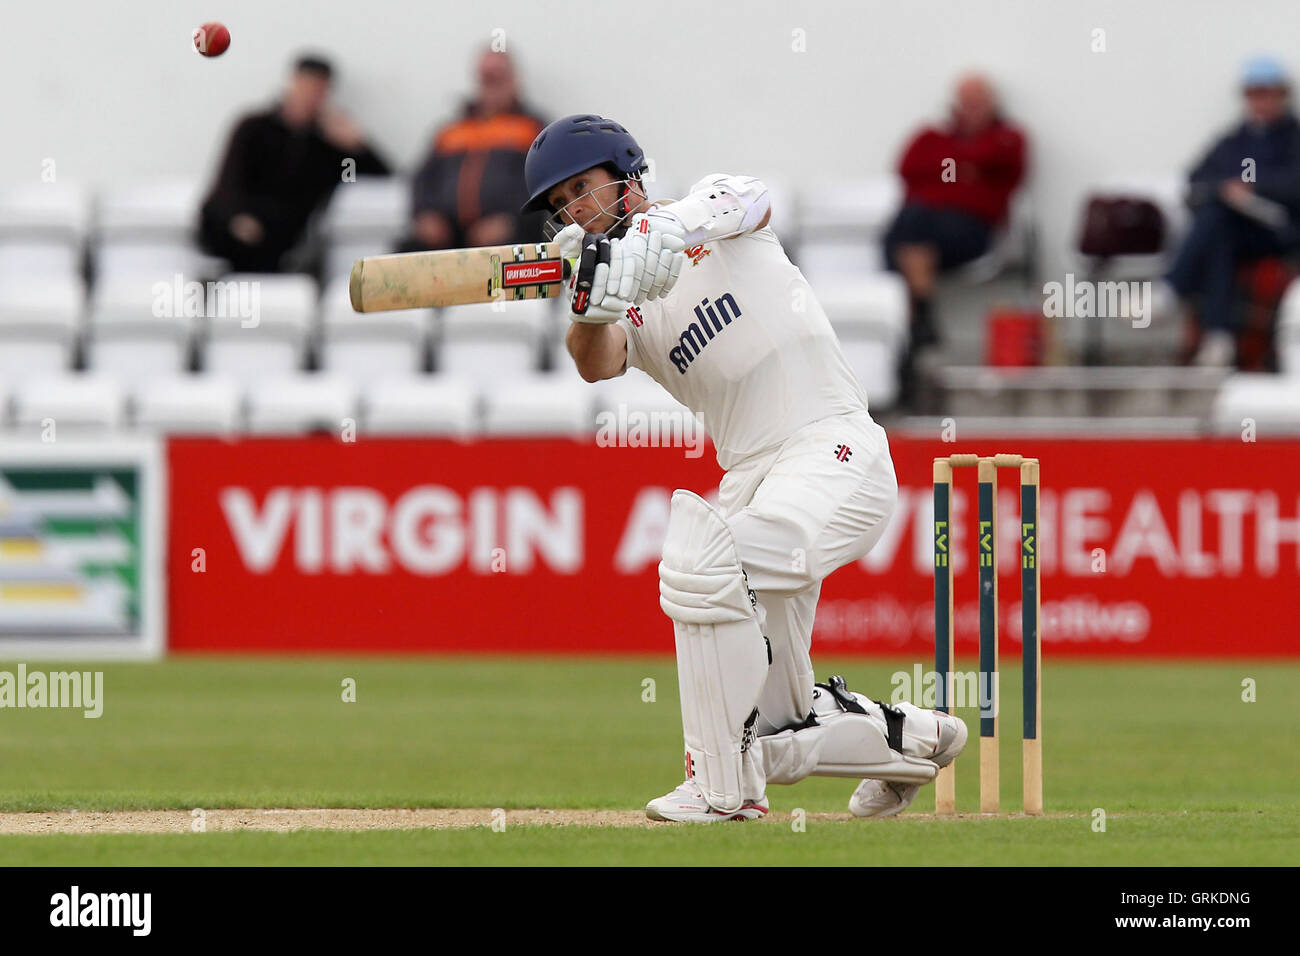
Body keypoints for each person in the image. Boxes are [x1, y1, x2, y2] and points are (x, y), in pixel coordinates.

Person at [520, 114, 968, 822]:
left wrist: (658, 234)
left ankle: (717, 791)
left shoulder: (716, 216)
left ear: (628, 174)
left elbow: (747, 197)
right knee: (780, 732)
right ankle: (917, 739)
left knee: (707, 559)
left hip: (832, 448)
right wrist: (589, 307)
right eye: (561, 203)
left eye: (582, 187)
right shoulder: (621, 301)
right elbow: (596, 365)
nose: (574, 209)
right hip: (754, 478)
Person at [884, 74, 1026, 400]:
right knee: (907, 226)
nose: (972, 109)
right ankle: (919, 328)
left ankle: (920, 321)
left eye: (979, 102)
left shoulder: (1009, 137)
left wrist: (949, 168)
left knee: (908, 229)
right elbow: (907, 167)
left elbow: (1005, 163)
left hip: (973, 233)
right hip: (921, 231)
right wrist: (968, 170)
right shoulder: (930, 136)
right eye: (967, 101)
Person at [198, 55, 391, 273]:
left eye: (318, 90)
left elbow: (374, 179)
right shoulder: (253, 128)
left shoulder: (328, 145)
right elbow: (228, 182)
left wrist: (358, 148)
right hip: (236, 225)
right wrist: (238, 218)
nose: (310, 97)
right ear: (293, 83)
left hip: (288, 235)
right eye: (306, 86)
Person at [1167, 55, 1300, 366]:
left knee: (1216, 221)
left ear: (1282, 94)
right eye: (1254, 93)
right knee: (1219, 230)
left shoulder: (1295, 139)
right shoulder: (1233, 140)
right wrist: (1227, 190)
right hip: (1235, 230)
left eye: (1268, 92)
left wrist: (1255, 187)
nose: (1260, 100)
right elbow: (1196, 178)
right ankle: (1219, 338)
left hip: (1281, 232)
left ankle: (1172, 289)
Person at [403, 50, 547, 251]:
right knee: (405, 253)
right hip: (448, 235)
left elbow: (545, 187)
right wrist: (425, 214)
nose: (492, 84)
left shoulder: (532, 128)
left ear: (514, 79)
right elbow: (422, 180)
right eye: (486, 77)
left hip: (509, 233)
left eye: (499, 76)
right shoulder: (451, 131)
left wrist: (512, 222)